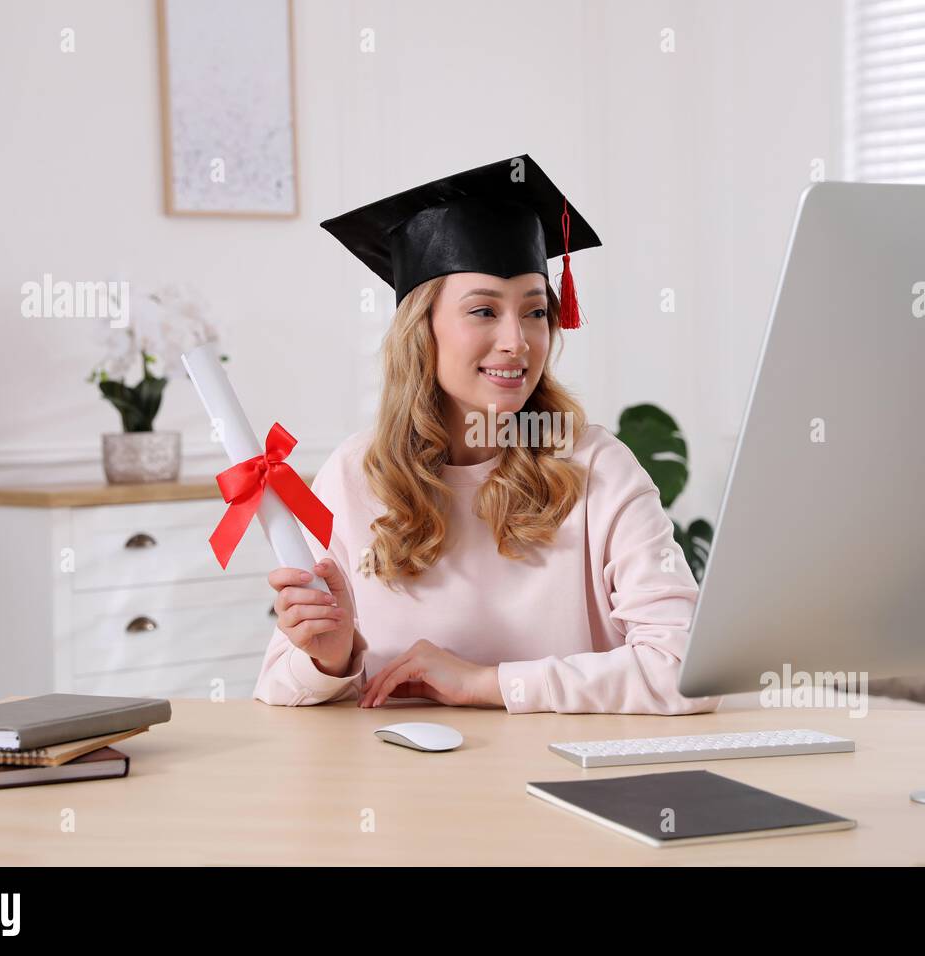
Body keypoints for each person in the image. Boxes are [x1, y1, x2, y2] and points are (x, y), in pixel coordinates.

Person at [253, 154, 720, 715]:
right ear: (421, 330)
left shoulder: (597, 468)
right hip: (403, 787)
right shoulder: (355, 475)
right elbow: (278, 688)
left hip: (565, 783)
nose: (517, 341)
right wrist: (330, 660)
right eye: (482, 311)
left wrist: (485, 683)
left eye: (533, 312)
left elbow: (685, 669)